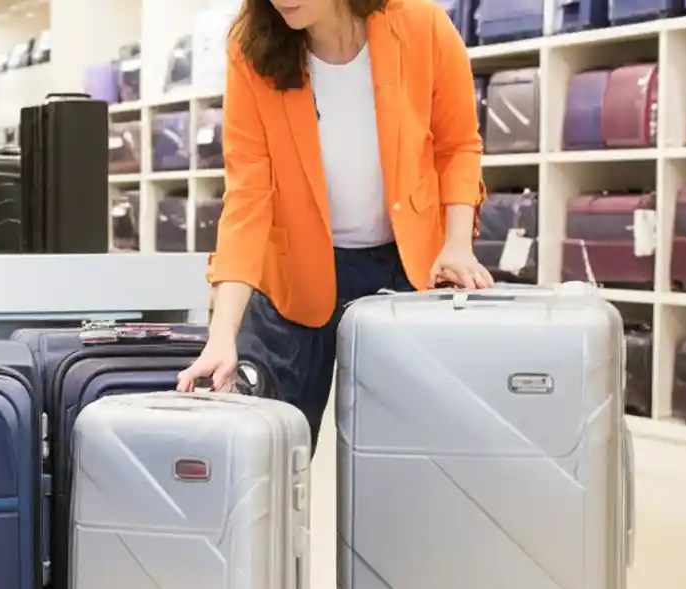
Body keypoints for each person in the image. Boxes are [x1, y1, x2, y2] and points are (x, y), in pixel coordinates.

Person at [176, 0, 493, 445]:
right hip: (293, 278)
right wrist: (222, 331)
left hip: (407, 270)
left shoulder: (422, 24)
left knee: (401, 459)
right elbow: (248, 192)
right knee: (266, 451)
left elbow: (458, 144)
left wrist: (457, 245)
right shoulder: (251, 47)